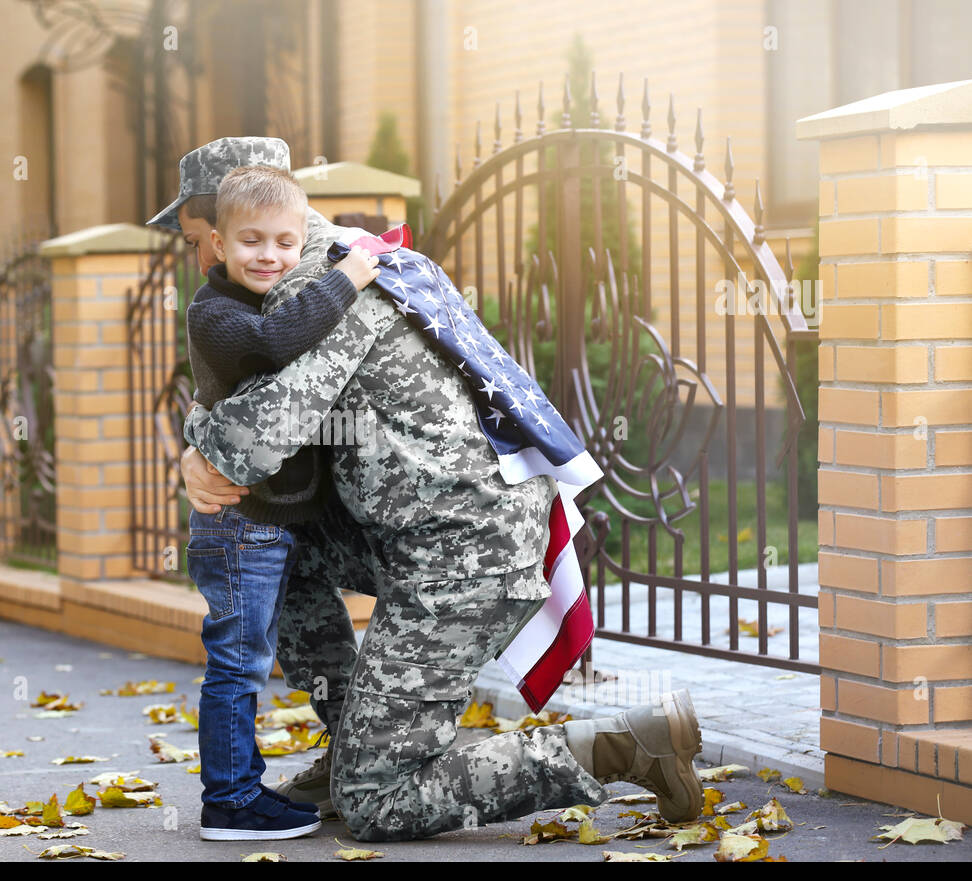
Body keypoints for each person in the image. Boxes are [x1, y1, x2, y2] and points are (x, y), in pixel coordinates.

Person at [154, 137, 705, 842]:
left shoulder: (323, 289)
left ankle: (625, 743)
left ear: (223, 217)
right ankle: (354, 741)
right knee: (279, 544)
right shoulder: (345, 258)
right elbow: (261, 446)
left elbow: (251, 444)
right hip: (423, 531)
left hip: (464, 556)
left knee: (377, 806)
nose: (201, 260)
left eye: (196, 239)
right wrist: (206, 444)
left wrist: (197, 453)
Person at [181, 163, 380, 840]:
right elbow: (275, 345)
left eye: (285, 243)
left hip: (270, 523)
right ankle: (231, 800)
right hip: (240, 522)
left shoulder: (267, 296)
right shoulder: (217, 314)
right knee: (239, 658)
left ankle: (260, 784)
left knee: (262, 651)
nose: (269, 255)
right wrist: (349, 277)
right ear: (216, 243)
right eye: (251, 240)